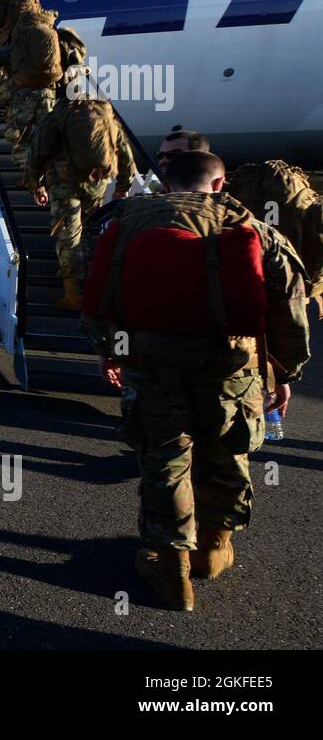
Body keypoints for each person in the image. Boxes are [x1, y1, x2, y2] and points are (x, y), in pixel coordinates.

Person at [82, 150, 311, 611]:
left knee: (165, 463)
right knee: (227, 457)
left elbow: (97, 291)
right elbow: (290, 307)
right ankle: (211, 551)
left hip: (149, 367)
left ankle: (172, 573)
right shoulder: (254, 230)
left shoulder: (121, 222)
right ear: (221, 183)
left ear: (165, 183)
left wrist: (109, 352)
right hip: (231, 371)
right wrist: (285, 373)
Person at [25, 92, 136, 311]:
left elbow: (36, 150)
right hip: (96, 180)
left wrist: (35, 185)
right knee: (84, 227)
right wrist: (123, 186)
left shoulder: (57, 114)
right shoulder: (106, 115)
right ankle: (85, 277)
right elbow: (124, 151)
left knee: (68, 233)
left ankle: (73, 293)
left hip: (63, 181)